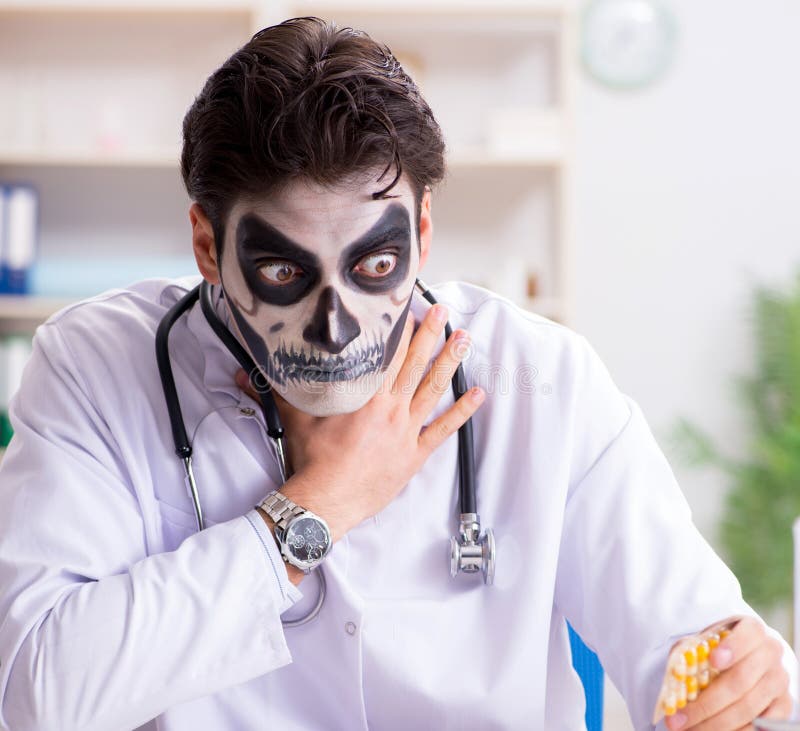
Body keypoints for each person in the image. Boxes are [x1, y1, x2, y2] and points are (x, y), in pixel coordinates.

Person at [0, 16, 795, 731]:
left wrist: (748, 686)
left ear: (421, 229)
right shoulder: (96, 369)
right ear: (208, 245)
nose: (336, 325)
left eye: (376, 263)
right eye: (283, 272)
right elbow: (34, 698)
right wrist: (315, 506)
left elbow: (706, 666)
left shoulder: (539, 381)